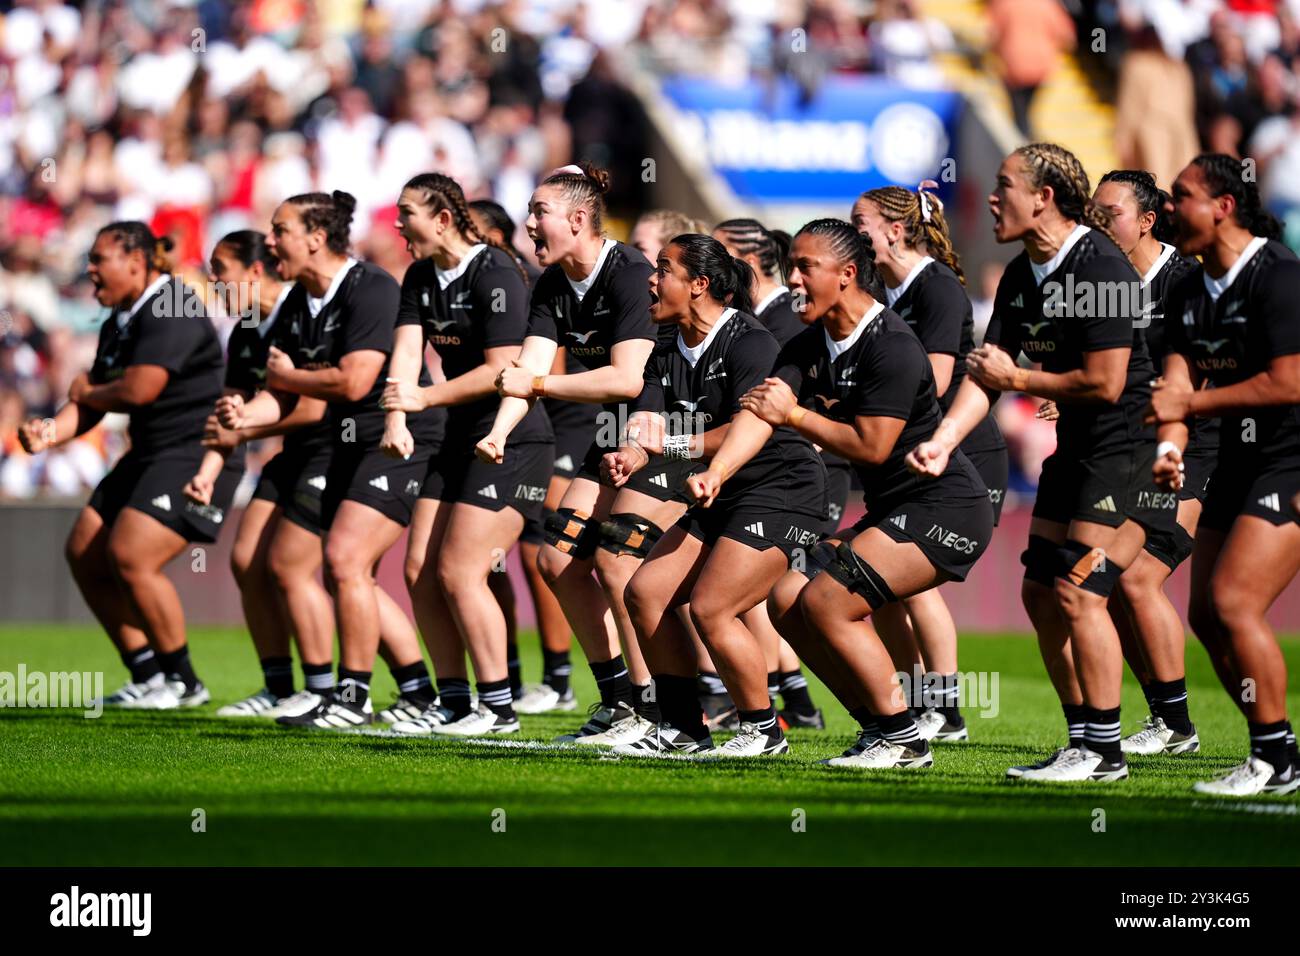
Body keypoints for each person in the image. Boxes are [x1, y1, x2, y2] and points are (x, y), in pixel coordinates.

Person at [907, 143, 1176, 782]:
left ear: (1044, 197)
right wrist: (945, 438)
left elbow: (1109, 383)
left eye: (1004, 185)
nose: (992, 197)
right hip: (1078, 452)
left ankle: (1106, 752)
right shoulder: (1023, 271)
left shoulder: (1102, 266)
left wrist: (1024, 377)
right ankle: (1083, 738)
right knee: (1040, 592)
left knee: (1079, 590)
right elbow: (986, 371)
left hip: (1126, 451)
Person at [697, 218, 994, 770]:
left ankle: (905, 739)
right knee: (788, 602)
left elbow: (871, 446)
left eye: (805, 268)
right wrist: (719, 468)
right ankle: (879, 727)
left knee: (827, 601)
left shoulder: (893, 346)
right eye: (791, 269)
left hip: (945, 508)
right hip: (896, 510)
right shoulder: (811, 342)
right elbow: (761, 413)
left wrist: (795, 415)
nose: (792, 281)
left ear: (847, 274)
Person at [217, 191, 442, 730]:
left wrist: (284, 380)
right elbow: (293, 397)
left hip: (400, 436)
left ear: (317, 238)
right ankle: (414, 691)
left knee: (340, 561)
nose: (270, 242)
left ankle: (351, 697)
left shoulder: (371, 288)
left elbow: (354, 380)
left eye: (280, 230)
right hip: (348, 441)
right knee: (346, 568)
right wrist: (243, 418)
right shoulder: (298, 302)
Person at [478, 163, 674, 746]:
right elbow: (528, 371)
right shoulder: (553, 283)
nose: (529, 224)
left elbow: (625, 377)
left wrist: (534, 388)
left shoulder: (631, 272)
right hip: (615, 428)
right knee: (557, 562)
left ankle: (655, 710)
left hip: (667, 427)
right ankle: (617, 701)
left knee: (616, 564)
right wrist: (499, 431)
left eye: (539, 213)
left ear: (579, 219)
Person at [607, 234, 826, 756]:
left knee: (711, 608)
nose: (651, 280)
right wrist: (633, 453)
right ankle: (684, 727)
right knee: (645, 593)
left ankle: (764, 731)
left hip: (783, 489)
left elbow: (748, 426)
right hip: (723, 491)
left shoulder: (750, 341)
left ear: (699, 284)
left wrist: (671, 444)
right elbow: (650, 421)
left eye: (664, 269)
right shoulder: (666, 345)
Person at [19, 223, 237, 708]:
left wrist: (83, 391)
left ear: (137, 261)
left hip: (196, 451)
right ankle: (147, 674)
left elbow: (139, 389)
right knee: (84, 552)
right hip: (149, 453)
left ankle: (184, 682)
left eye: (100, 260)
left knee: (131, 555)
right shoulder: (122, 317)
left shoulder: (170, 306)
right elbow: (96, 398)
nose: (90, 271)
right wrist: (49, 432)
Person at [379, 172, 553, 736]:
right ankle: (453, 701)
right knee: (418, 570)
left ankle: (498, 709)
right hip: (457, 434)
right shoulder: (418, 275)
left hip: (512, 437)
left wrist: (423, 397)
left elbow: (502, 368)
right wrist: (398, 418)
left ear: (443, 219)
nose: (398, 224)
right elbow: (406, 352)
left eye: (407, 212)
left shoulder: (496, 270)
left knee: (460, 569)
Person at [1149, 153, 1300, 796]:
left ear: (1223, 206)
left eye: (1180, 196)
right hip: (1238, 461)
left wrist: (1190, 408)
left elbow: (1289, 382)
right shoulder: (1188, 289)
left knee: (1236, 602)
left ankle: (1278, 765)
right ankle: (1273, 750)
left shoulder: (1279, 277)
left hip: (1292, 457)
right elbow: (1179, 383)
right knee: (1208, 616)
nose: (1169, 208)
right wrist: (1170, 446)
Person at [851, 182, 1009, 742]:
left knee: (913, 584)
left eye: (860, 221)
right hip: (907, 456)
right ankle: (914, 701)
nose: (852, 232)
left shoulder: (936, 286)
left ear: (895, 230)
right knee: (877, 584)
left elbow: (939, 382)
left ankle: (944, 710)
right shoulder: (878, 289)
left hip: (961, 451)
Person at [181, 231, 333, 718]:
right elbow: (231, 409)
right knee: (246, 560)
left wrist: (245, 426)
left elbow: (312, 408)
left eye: (220, 269)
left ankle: (328, 690)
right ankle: (278, 688)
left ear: (254, 272)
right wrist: (207, 471)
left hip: (336, 448)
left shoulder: (298, 313)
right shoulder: (245, 329)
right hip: (292, 453)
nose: (212, 280)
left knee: (292, 568)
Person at [1092, 170, 1204, 755]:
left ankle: (1177, 725)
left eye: (1109, 212)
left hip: (1197, 447)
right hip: (1133, 447)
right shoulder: (1099, 281)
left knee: (1137, 576)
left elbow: (1213, 367)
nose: (1098, 223)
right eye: (1094, 211)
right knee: (1104, 583)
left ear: (1146, 220)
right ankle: (1167, 719)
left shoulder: (1187, 281)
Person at [713, 216, 829, 729]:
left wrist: (681, 448)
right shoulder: (757, 321)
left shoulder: (777, 323)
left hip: (805, 470)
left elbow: (763, 414)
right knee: (758, 596)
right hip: (759, 469)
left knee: (797, 598)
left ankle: (918, 718)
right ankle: (792, 706)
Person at [470, 198, 579, 712]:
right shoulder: (529, 279)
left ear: (492, 237)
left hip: (564, 422)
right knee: (492, 561)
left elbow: (542, 367)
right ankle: (511, 673)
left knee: (544, 549)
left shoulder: (519, 278)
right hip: (516, 420)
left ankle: (558, 680)